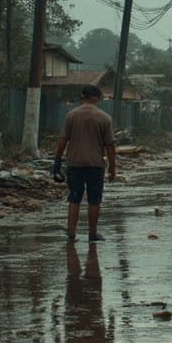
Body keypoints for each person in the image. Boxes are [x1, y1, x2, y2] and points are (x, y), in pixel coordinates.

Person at [52, 84, 117, 242]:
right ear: (96, 97)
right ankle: (92, 234)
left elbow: (62, 141)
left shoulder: (71, 115)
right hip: (95, 165)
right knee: (94, 200)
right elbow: (110, 146)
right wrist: (112, 169)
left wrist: (57, 162)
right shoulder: (104, 118)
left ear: (83, 97)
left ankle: (71, 233)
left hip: (75, 165)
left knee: (74, 198)